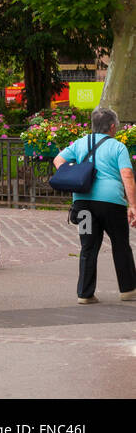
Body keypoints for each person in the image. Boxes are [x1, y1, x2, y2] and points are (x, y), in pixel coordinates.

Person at [52, 107, 136, 303]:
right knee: (120, 243)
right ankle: (128, 289)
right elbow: (127, 175)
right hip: (111, 204)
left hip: (82, 204)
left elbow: (58, 161)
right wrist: (133, 205)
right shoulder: (117, 147)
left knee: (88, 246)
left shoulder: (80, 143)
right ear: (113, 127)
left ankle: (85, 294)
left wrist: (76, 172)